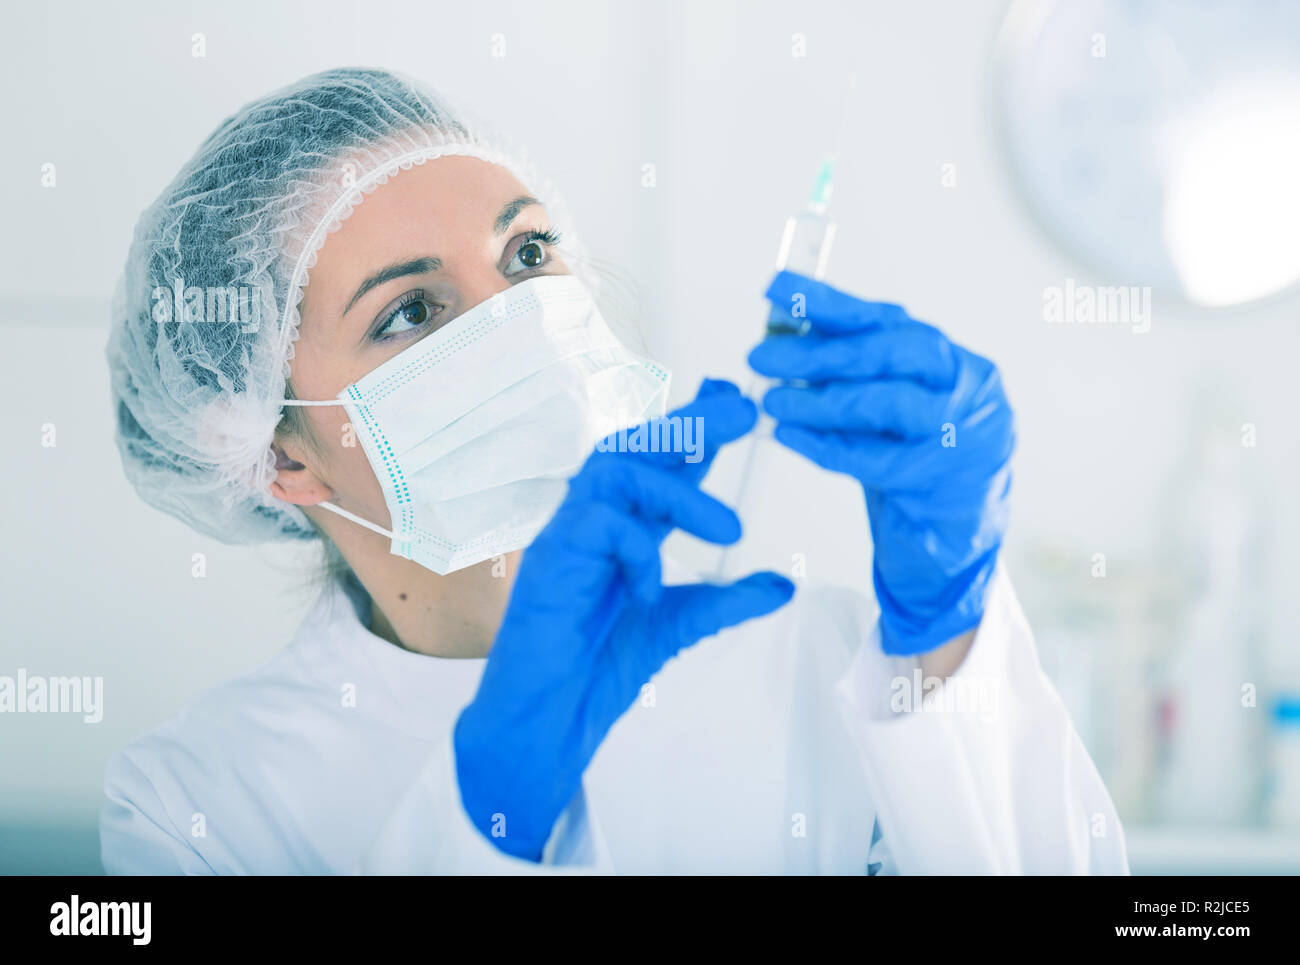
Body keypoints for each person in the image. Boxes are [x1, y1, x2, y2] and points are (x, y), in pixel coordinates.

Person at [100, 67, 1128, 874]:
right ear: (280, 455)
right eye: (409, 311)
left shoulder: (828, 654)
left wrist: (945, 631)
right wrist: (487, 809)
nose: (518, 322)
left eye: (526, 254)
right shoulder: (201, 802)